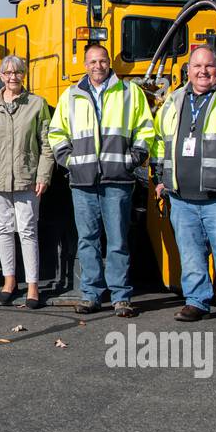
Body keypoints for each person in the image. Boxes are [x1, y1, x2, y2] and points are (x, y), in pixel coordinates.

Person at [151, 46, 216, 332]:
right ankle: (197, 301)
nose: (203, 72)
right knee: (190, 252)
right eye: (197, 67)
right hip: (182, 195)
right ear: (188, 70)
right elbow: (160, 140)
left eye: (208, 66)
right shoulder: (173, 100)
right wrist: (161, 176)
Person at [48, 43, 155, 318]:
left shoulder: (130, 92)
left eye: (102, 61)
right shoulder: (71, 95)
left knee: (118, 240)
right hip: (82, 182)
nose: (98, 66)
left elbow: (145, 127)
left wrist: (133, 159)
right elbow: (56, 132)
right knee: (87, 240)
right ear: (85, 65)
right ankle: (91, 295)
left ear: (110, 63)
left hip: (118, 179)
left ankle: (121, 297)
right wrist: (70, 161)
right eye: (92, 61)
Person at [0, 55, 52, 308]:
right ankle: (9, 281)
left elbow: (47, 143)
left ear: (24, 75)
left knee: (28, 231)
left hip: (27, 177)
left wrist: (43, 175)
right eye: (8, 73)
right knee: (3, 230)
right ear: (1, 76)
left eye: (18, 72)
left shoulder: (37, 104)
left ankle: (33, 285)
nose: (13, 77)